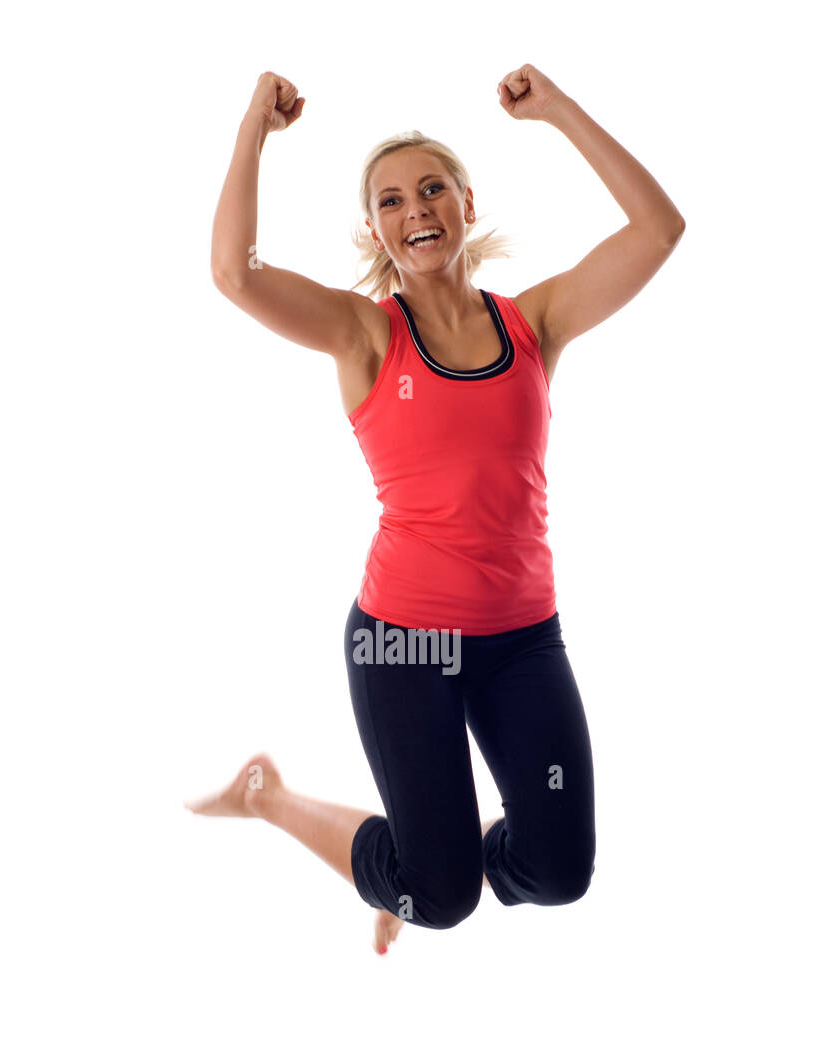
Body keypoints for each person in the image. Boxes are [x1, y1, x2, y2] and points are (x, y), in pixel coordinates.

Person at [186, 64, 686, 955]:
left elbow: (659, 229)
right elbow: (234, 272)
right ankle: (284, 801)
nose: (414, 209)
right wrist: (253, 128)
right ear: (374, 228)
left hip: (522, 638)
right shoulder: (365, 332)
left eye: (430, 190)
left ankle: (424, 859)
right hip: (402, 641)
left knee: (560, 871)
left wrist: (560, 111)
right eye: (389, 201)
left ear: (464, 201)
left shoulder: (538, 321)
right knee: (443, 899)